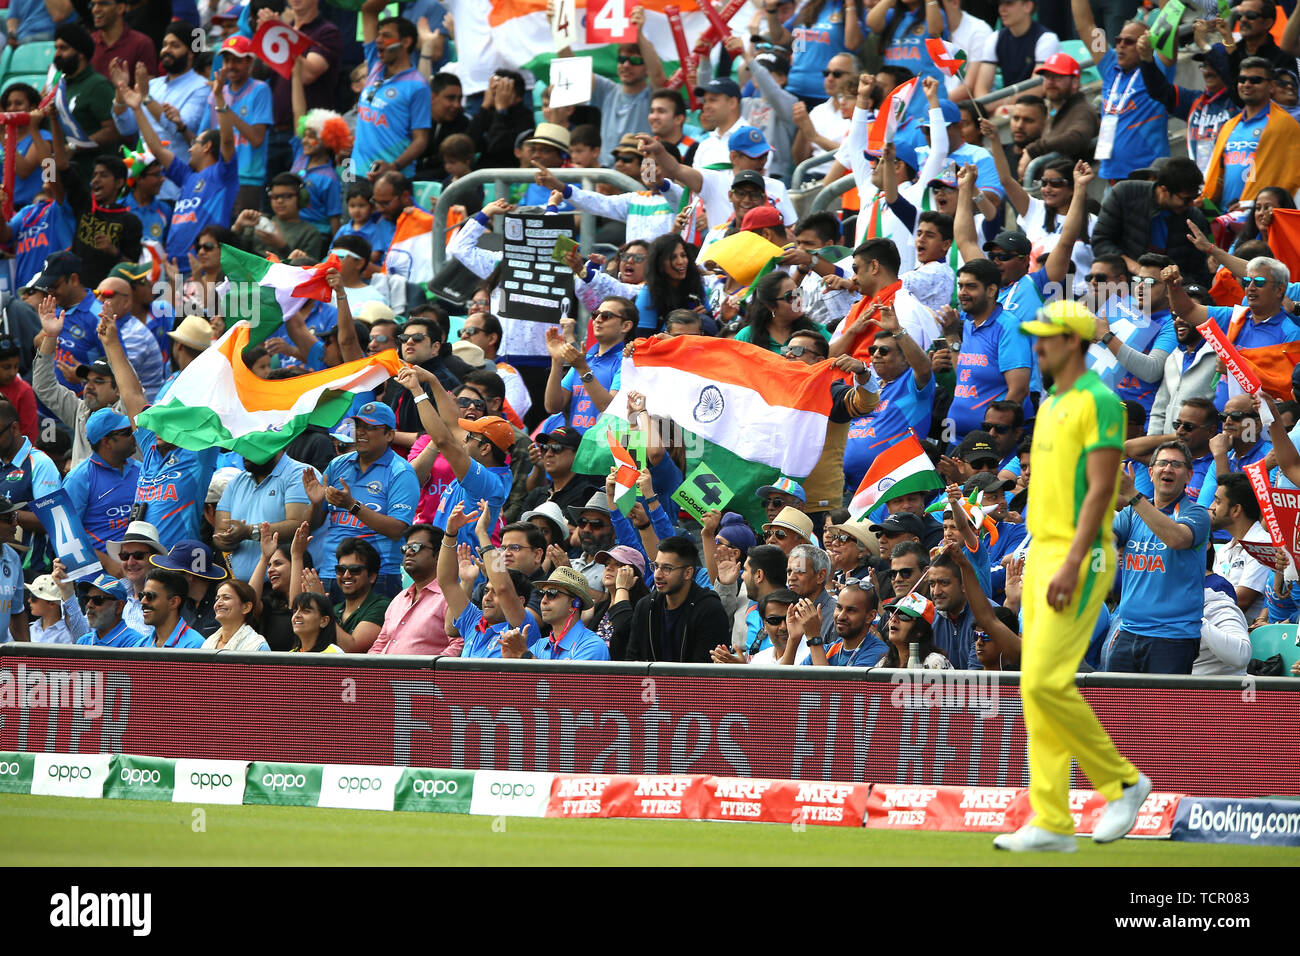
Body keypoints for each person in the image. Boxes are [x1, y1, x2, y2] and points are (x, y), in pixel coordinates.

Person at [995, 298, 1151, 853]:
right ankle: (1054, 822)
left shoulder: (1100, 401)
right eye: (1034, 336)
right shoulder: (1057, 398)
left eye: (1047, 337)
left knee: (1043, 683)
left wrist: (1071, 559)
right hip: (1043, 551)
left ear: (1072, 343)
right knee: (1034, 690)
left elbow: (1103, 490)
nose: (1036, 345)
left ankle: (1124, 784)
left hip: (1077, 556)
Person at [120, 67, 238, 276]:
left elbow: (227, 139)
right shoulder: (186, 177)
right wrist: (138, 109)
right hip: (174, 271)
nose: (190, 148)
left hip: (205, 270)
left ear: (208, 147)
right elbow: (157, 148)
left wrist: (219, 98)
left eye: (195, 144)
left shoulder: (223, 174)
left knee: (206, 310)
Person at [305, 400, 418, 596]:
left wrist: (351, 505)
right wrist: (316, 504)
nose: (360, 432)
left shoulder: (401, 472)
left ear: (389, 435)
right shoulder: (337, 465)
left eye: (371, 427)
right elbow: (313, 524)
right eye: (358, 426)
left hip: (377, 575)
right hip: (332, 571)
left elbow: (397, 529)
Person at [1070, 0, 1176, 182]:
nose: (1120, 45)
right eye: (1119, 40)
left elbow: (1169, 22)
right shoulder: (1110, 67)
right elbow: (1085, 26)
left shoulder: (1157, 71)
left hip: (1147, 178)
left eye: (1129, 42)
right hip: (1112, 179)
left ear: (1147, 44)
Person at [1092, 157, 1213, 292]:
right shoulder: (1125, 194)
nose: (1192, 204)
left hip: (1170, 295)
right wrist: (1135, 268)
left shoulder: (1194, 218)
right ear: (1164, 190)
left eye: (1194, 197)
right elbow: (1101, 241)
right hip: (1125, 286)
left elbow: (1198, 272)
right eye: (1186, 199)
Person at [1200, 58, 1300, 212]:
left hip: (1262, 219)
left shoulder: (1286, 126)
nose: (1247, 84)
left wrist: (1253, 205)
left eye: (1255, 80)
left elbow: (1291, 177)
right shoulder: (1229, 126)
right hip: (1226, 218)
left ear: (1271, 86)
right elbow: (1217, 175)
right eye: (1242, 79)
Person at [353, 1, 430, 180]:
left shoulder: (417, 86)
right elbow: (368, 10)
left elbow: (420, 140)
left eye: (386, 36)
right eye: (378, 35)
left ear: (405, 42)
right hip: (356, 171)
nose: (378, 40)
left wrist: (393, 167)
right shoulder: (375, 65)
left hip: (390, 177)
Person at [213, 450, 315, 582]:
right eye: (244, 446)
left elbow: (300, 525)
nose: (245, 452)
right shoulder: (237, 482)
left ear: (277, 446)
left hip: (287, 587)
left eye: (254, 446)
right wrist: (227, 538)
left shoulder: (299, 474)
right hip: (245, 588)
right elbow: (219, 532)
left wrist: (250, 531)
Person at [625, 536, 727, 662]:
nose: (657, 575)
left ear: (688, 573)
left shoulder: (709, 610)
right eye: (656, 566)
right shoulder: (645, 606)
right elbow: (632, 659)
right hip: (649, 681)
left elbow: (705, 671)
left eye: (667, 568)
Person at [543, 297, 633, 433]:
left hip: (603, 449)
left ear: (625, 326)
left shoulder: (628, 362)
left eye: (606, 316)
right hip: (574, 448)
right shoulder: (585, 359)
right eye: (596, 315)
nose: (597, 320)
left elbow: (609, 409)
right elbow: (553, 406)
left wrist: (583, 369)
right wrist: (557, 361)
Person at [368, 522, 456, 655]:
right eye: (405, 548)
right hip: (385, 674)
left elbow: (458, 645)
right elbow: (380, 644)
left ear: (438, 555)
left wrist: (428, 673)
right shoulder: (399, 599)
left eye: (415, 547)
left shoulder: (450, 597)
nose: (408, 552)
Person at [61, 406, 139, 552]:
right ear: (107, 442)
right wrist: (109, 564)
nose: (134, 435)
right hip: (100, 571)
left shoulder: (142, 470)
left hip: (139, 565)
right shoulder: (77, 479)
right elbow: (66, 539)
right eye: (127, 432)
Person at [1018, 54, 1099, 174]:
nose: (1050, 82)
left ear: (1075, 82)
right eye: (1047, 77)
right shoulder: (1057, 109)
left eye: (1057, 77)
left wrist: (1034, 150)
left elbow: (1075, 139)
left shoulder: (1082, 110)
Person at [1208, 472, 1272, 622]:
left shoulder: (1262, 545)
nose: (1211, 508)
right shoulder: (1223, 550)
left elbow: (1242, 600)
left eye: (1217, 501)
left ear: (1236, 510)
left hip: (1248, 636)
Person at [970, 0, 1060, 100]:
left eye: (1008, 3)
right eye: (1000, 4)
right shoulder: (994, 38)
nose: (1001, 9)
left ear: (1028, 6)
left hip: (1038, 109)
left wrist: (998, 106)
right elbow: (981, 90)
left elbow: (1038, 88)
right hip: (1004, 109)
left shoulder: (1047, 38)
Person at [796, 579, 887, 667]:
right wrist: (793, 639)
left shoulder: (878, 652)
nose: (841, 616)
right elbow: (786, 681)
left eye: (851, 610)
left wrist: (814, 639)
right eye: (839, 607)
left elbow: (825, 683)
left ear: (870, 616)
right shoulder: (829, 649)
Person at [876, 591, 949, 668]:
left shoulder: (935, 663)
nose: (893, 619)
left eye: (903, 615)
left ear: (920, 630)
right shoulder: (883, 663)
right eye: (892, 613)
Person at [74, 574, 150, 647]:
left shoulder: (136, 643)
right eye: (86, 599)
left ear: (118, 606)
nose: (89, 605)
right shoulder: (83, 641)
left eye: (98, 600)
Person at [140, 568, 205, 648]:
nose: (142, 601)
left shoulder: (194, 645)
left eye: (150, 596)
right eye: (142, 596)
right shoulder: (141, 645)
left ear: (174, 602)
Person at [201, 580, 270, 652]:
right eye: (217, 599)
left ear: (246, 607)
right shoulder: (208, 642)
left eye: (226, 598)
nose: (218, 603)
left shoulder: (258, 646)